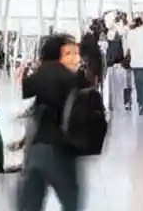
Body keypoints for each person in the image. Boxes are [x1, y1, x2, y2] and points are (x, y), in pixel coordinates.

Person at [18, 34, 86, 211]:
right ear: (58, 55)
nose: (75, 59)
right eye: (69, 54)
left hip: (35, 149)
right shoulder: (73, 80)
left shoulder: (35, 77)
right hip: (60, 149)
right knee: (71, 201)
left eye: (76, 54)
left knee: (30, 203)